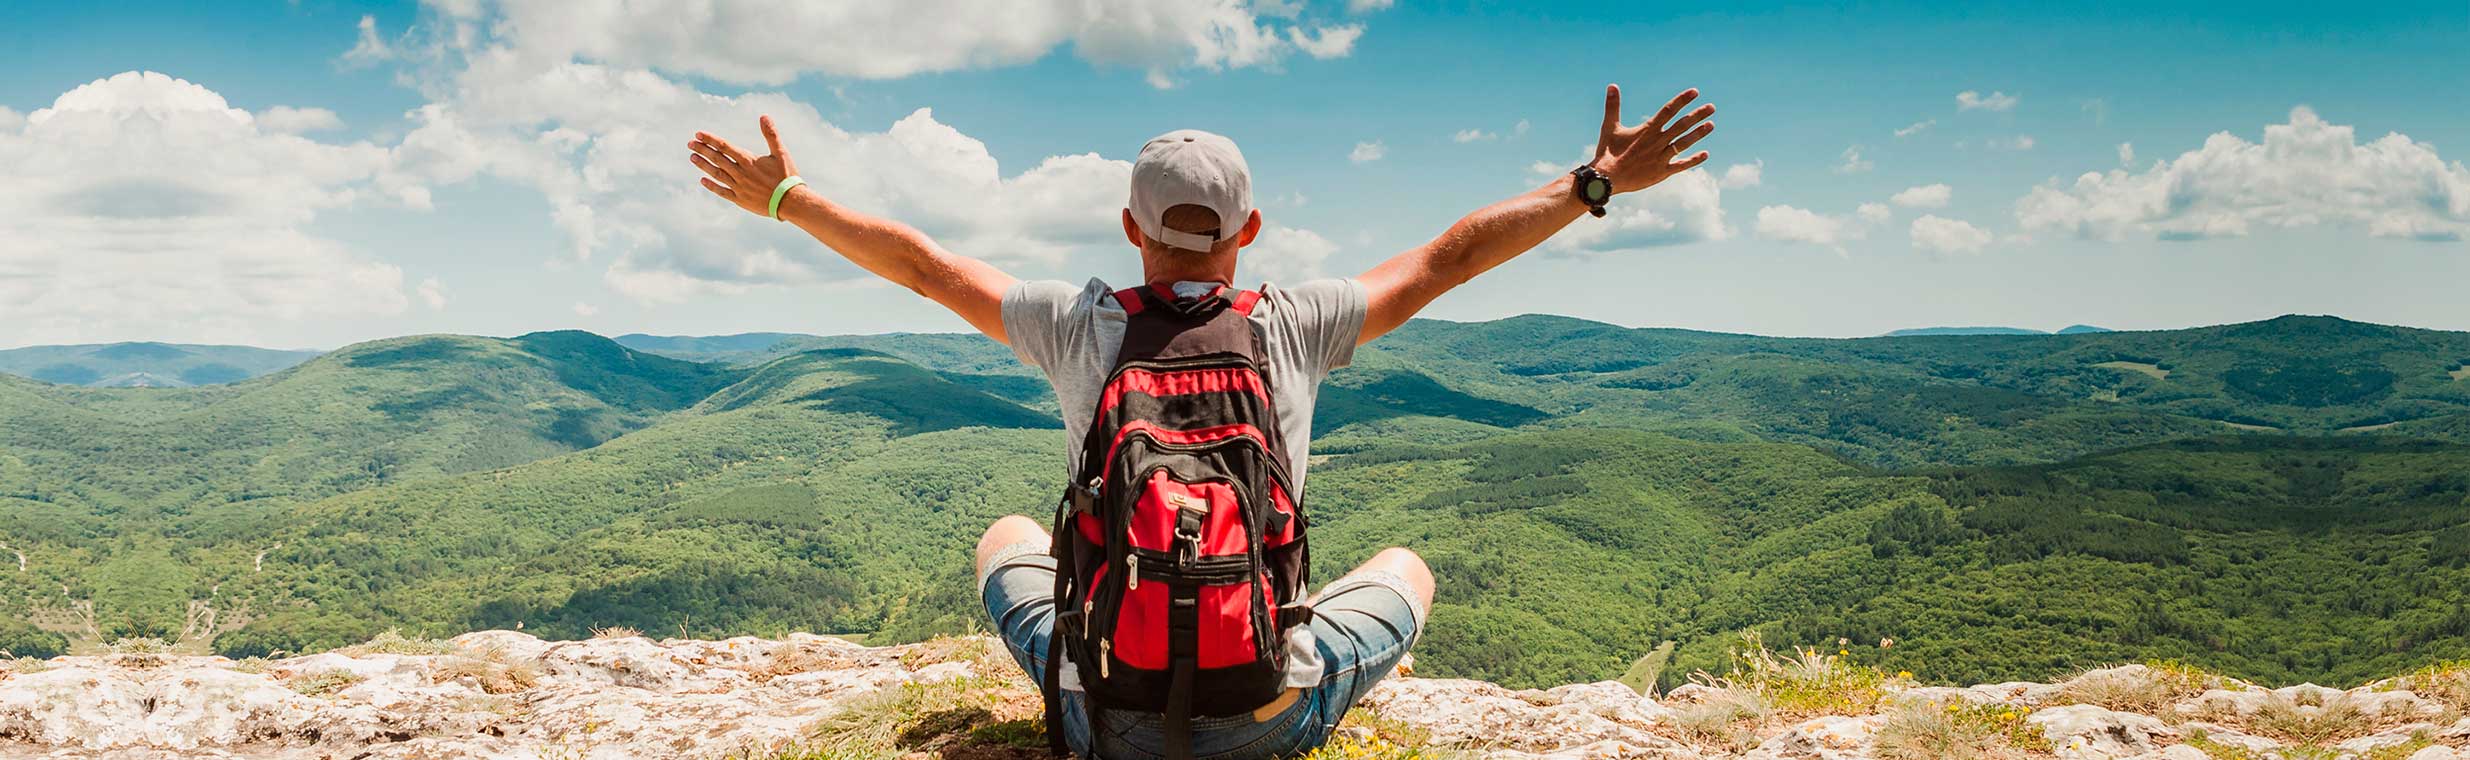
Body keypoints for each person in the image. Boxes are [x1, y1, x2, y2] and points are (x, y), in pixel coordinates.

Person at [687, 83, 1716, 759]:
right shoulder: (1297, 322)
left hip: (1103, 719)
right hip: (1265, 717)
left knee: (1005, 538)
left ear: (1129, 227)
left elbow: (924, 267)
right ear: (1249, 229)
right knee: (1406, 566)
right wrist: (1593, 183)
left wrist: (788, 198)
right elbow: (1450, 257)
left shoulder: (1075, 324)